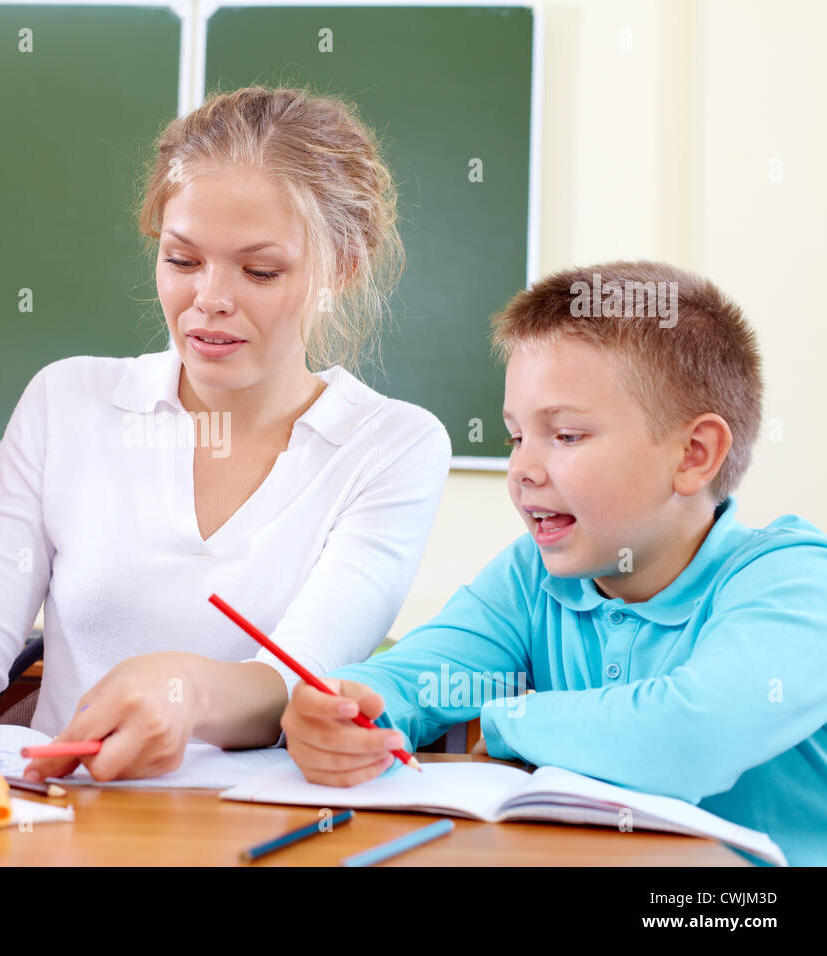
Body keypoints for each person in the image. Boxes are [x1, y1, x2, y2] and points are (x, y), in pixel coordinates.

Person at [0, 87, 452, 783]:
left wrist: (184, 689)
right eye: (181, 259)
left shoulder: (393, 447)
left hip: (259, 834)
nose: (209, 299)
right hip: (58, 820)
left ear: (343, 269)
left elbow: (300, 676)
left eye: (260, 270)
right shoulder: (67, 401)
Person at [280, 260, 827, 865]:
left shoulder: (794, 579)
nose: (522, 469)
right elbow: (416, 679)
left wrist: (512, 720)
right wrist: (344, 708)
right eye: (516, 437)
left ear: (694, 455)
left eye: (565, 436)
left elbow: (696, 734)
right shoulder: (533, 577)